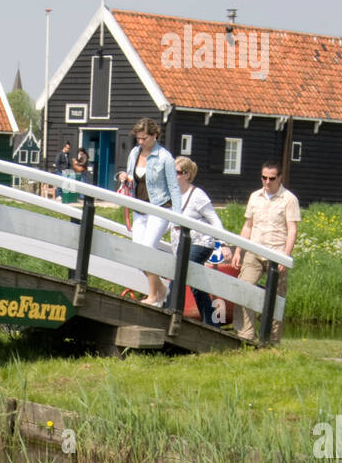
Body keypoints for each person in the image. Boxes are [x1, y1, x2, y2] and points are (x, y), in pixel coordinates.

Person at [231, 161, 299, 345]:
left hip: (276, 252)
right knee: (244, 287)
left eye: (271, 178)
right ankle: (246, 334)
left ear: (279, 178)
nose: (267, 182)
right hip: (254, 250)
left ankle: (272, 341)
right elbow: (248, 226)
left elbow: (292, 230)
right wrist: (238, 250)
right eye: (264, 177)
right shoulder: (255, 196)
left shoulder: (289, 199)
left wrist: (285, 256)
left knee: (276, 296)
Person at [123, 117, 180, 306]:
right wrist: (123, 177)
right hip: (139, 208)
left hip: (159, 209)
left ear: (155, 135)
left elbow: (174, 188)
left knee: (147, 250)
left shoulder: (165, 157)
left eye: (144, 138)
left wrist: (177, 219)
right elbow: (130, 175)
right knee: (138, 254)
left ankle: (154, 295)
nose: (140, 142)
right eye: (138, 138)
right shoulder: (134, 153)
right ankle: (161, 289)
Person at [165, 157, 226, 324]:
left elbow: (214, 220)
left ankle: (169, 310)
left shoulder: (197, 195)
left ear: (187, 174)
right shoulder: (173, 195)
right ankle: (211, 322)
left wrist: (223, 243)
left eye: (176, 172)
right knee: (195, 283)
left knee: (180, 269)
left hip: (200, 242)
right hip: (180, 243)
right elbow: (169, 222)